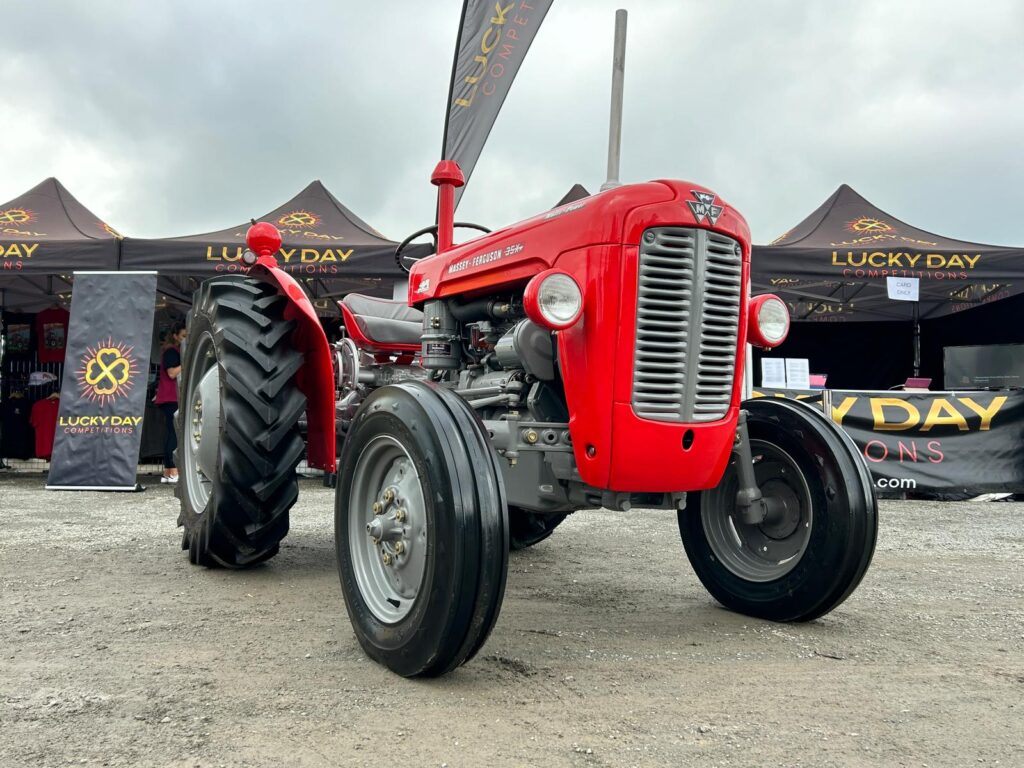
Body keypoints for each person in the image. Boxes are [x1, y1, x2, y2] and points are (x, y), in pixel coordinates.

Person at [154, 322, 187, 483]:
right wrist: (187, 362)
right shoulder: (171, 351)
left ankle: (168, 472)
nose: (185, 340)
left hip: (169, 397)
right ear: (175, 336)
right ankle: (173, 471)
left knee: (171, 433)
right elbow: (172, 373)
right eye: (183, 336)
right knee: (174, 433)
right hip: (171, 397)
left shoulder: (171, 350)